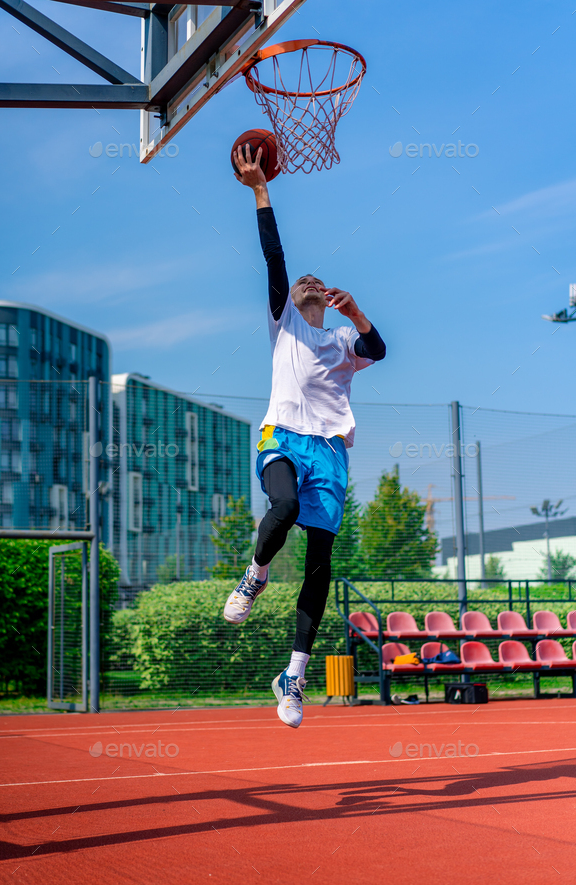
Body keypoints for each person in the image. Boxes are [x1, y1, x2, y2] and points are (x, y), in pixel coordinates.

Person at [224, 145, 386, 728]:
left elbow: (378, 349)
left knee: (320, 563)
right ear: (291, 300)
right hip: (283, 437)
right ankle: (255, 573)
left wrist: (360, 312)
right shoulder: (283, 323)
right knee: (283, 505)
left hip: (331, 453)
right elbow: (275, 258)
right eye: (302, 283)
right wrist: (261, 189)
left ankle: (292, 675)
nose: (308, 282)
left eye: (317, 282)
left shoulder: (344, 339)